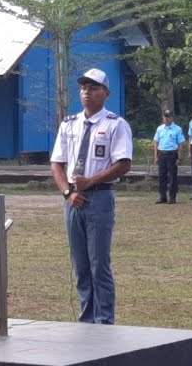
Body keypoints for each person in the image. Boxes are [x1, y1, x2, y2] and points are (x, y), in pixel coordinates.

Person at [50, 68, 133, 324]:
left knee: (99, 264)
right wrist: (67, 192)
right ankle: (86, 320)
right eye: (84, 87)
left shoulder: (115, 124)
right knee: (81, 265)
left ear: (106, 93)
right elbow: (57, 163)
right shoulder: (69, 123)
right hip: (73, 200)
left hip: (99, 198)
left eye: (94, 88)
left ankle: (104, 320)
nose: (87, 92)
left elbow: (123, 163)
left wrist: (91, 182)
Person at [152, 109, 185, 204]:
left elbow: (180, 144)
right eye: (165, 117)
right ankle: (162, 197)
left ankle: (172, 197)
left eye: (168, 117)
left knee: (172, 177)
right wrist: (156, 156)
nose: (166, 119)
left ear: (172, 118)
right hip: (162, 153)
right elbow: (156, 143)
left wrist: (179, 157)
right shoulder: (160, 128)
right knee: (162, 176)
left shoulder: (177, 129)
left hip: (172, 154)